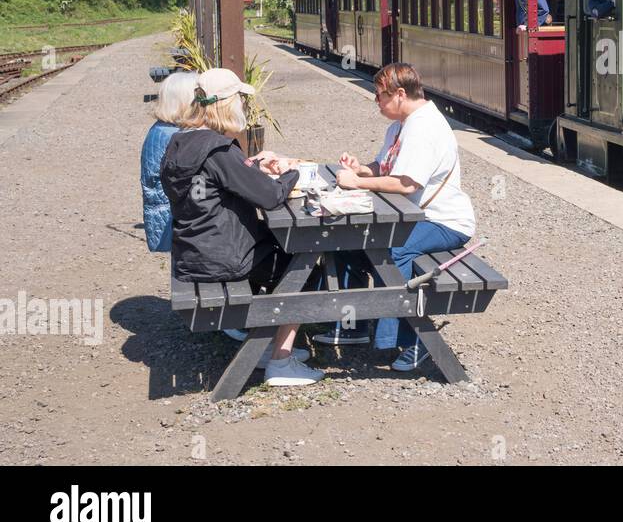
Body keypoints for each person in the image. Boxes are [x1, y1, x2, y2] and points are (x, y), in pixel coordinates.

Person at [161, 67, 319, 386]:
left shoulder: (182, 142)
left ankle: (263, 347)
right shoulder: (218, 149)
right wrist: (293, 172)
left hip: (195, 251)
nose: (243, 106)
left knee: (281, 255)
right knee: (303, 266)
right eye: (240, 100)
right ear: (227, 104)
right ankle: (280, 360)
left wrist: (253, 166)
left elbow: (213, 186)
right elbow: (271, 196)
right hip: (225, 258)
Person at [317, 63, 476, 371]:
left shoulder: (424, 126)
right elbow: (384, 167)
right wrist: (360, 169)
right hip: (414, 216)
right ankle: (354, 325)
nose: (376, 102)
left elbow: (406, 183)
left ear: (400, 94)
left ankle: (413, 341)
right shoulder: (401, 124)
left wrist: (357, 182)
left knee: (393, 251)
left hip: (443, 221)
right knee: (350, 242)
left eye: (380, 96)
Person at [140, 71, 198, 253]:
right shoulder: (175, 137)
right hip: (173, 224)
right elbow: (198, 185)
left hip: (166, 218)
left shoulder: (163, 130)